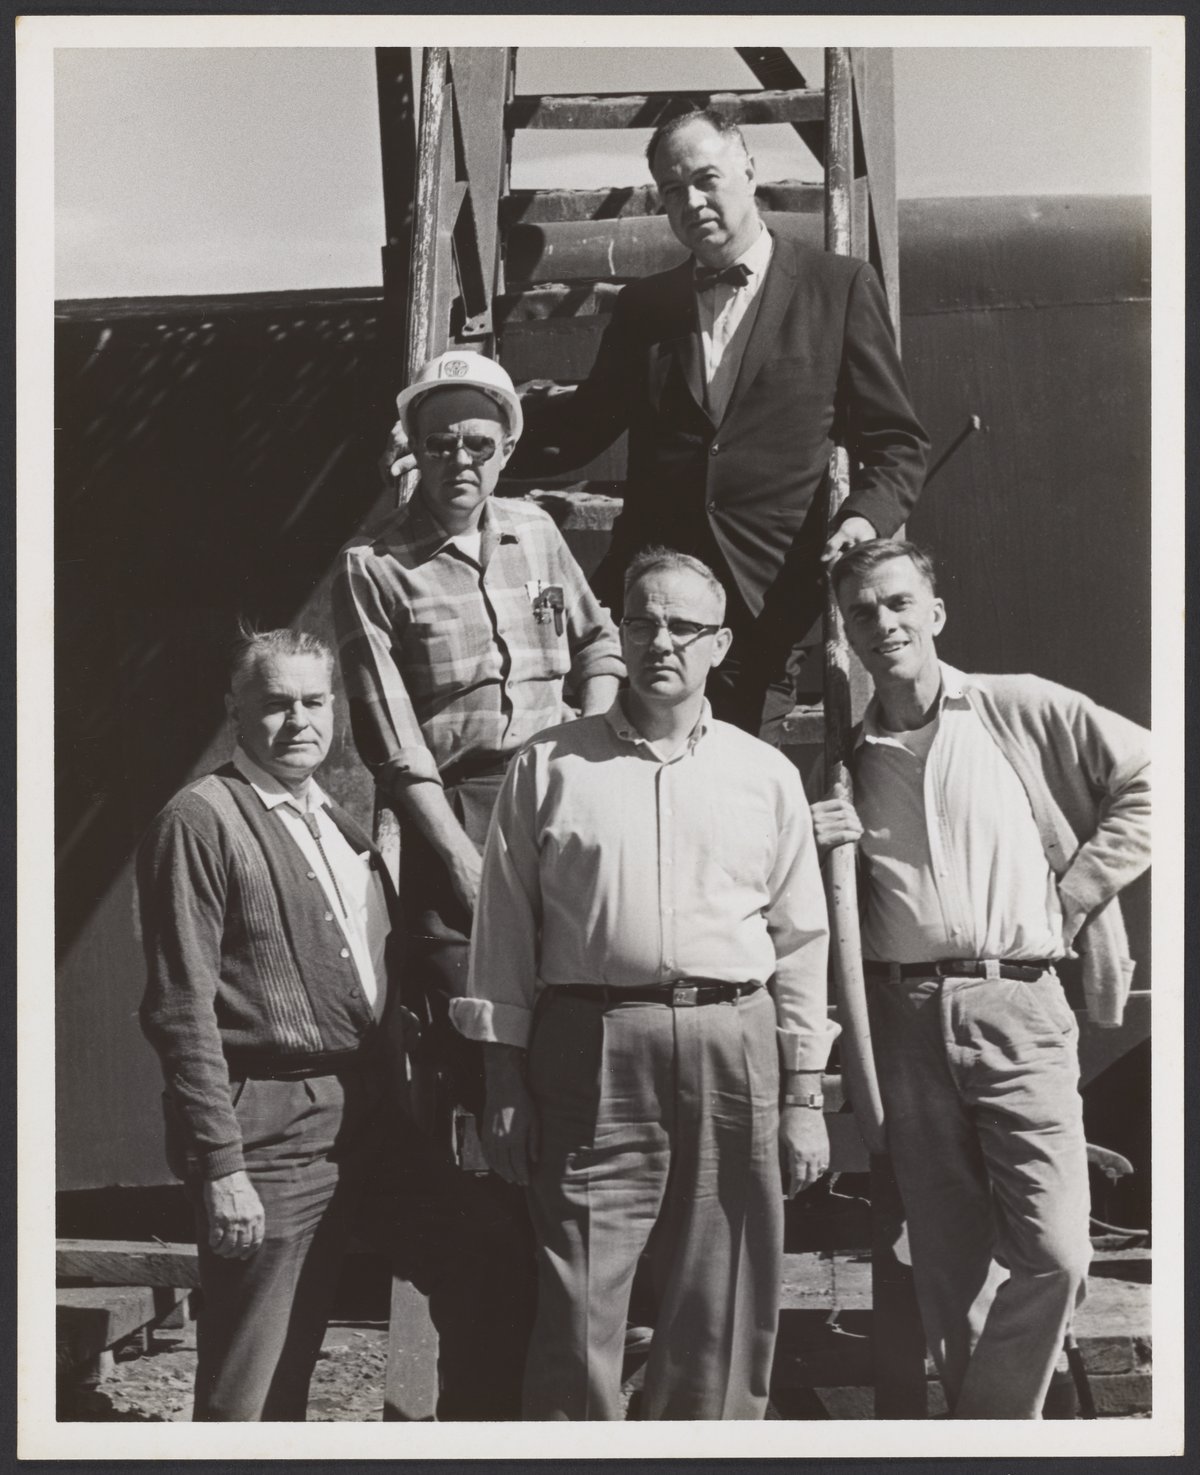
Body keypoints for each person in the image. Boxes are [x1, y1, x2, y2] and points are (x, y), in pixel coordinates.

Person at [451, 549, 836, 1420]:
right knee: (579, 1294)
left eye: (683, 626)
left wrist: (805, 1090)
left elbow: (801, 939)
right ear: (619, 632)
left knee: (722, 1299)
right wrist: (502, 1078)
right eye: (642, 620)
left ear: (718, 645)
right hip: (590, 1045)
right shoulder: (549, 766)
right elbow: (504, 932)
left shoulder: (764, 773)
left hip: (732, 1041)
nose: (659, 639)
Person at [812, 539, 1151, 1419]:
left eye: (896, 603)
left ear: (935, 612)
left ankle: (984, 1428)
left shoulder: (1014, 708)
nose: (881, 624)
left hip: (1020, 1005)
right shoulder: (847, 756)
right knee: (948, 1267)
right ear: (845, 634)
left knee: (1058, 1248)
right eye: (861, 612)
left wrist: (1076, 893)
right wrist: (823, 842)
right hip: (904, 1015)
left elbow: (1158, 773)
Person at [508, 108, 930, 734]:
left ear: (749, 172)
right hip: (655, 598)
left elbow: (898, 443)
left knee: (733, 788)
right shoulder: (644, 309)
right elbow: (579, 431)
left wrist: (863, 517)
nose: (692, 202)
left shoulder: (837, 288)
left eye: (706, 179)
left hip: (770, 601)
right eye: (672, 191)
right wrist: (470, 443)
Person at [334, 350, 623, 1101]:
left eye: (478, 444)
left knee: (582, 997)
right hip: (459, 808)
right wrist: (461, 859)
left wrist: (588, 745)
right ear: (414, 449)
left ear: (506, 451)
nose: (458, 459)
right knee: (476, 1024)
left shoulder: (536, 531)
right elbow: (395, 742)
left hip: (562, 791)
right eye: (439, 443)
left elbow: (598, 640)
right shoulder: (373, 567)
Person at [137, 627, 403, 1420]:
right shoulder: (201, 819)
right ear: (235, 711)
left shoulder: (335, 815)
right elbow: (179, 1008)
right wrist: (221, 1166)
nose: (299, 722)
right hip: (270, 1124)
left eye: (315, 702)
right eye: (276, 704)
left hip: (366, 1110)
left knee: (481, 1255)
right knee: (253, 1372)